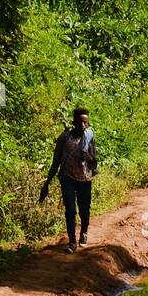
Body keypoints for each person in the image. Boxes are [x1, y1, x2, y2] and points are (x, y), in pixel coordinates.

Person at [40, 106, 98, 253]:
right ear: (74, 121)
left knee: (84, 209)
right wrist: (47, 184)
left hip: (85, 178)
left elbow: (94, 162)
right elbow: (56, 161)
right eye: (80, 122)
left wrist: (89, 157)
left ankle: (83, 232)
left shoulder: (90, 137)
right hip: (67, 177)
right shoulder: (65, 138)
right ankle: (72, 242)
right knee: (70, 210)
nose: (83, 125)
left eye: (86, 122)